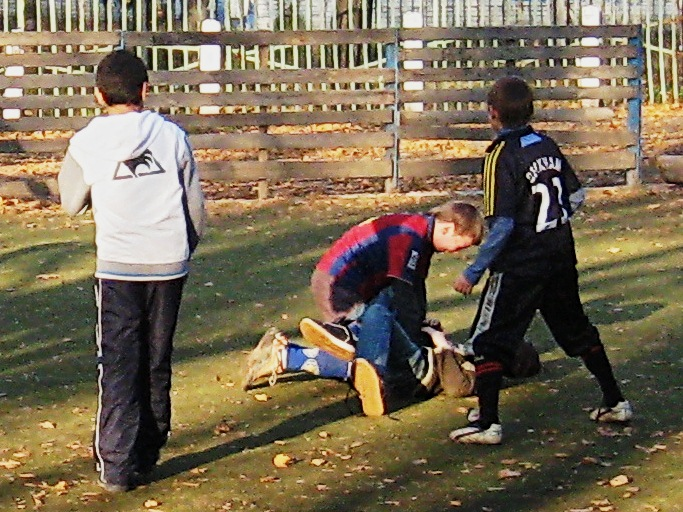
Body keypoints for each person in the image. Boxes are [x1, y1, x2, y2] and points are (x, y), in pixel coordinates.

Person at [448, 76, 632, 446]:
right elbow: (576, 196)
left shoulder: (500, 155)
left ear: (493, 113)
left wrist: (474, 269)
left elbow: (501, 224)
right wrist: (550, 227)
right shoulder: (546, 144)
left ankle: (487, 423)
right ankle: (616, 401)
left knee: (488, 339)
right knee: (576, 329)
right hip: (559, 254)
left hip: (521, 263)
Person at [58, 50, 206, 491]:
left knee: (119, 363)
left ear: (98, 95)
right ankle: (149, 448)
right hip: (168, 265)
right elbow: (194, 206)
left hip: (120, 268)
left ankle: (118, 465)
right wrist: (183, 249)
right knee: (157, 360)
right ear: (145, 89)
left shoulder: (87, 141)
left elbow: (69, 203)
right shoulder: (172, 136)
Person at [244, 200, 486, 415]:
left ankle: (287, 355)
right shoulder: (409, 237)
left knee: (379, 338)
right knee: (377, 355)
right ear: (449, 228)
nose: (454, 252)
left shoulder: (418, 232)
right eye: (459, 245)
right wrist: (415, 334)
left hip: (353, 286)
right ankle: (346, 337)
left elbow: (414, 288)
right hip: (338, 286)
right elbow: (405, 293)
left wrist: (418, 325)